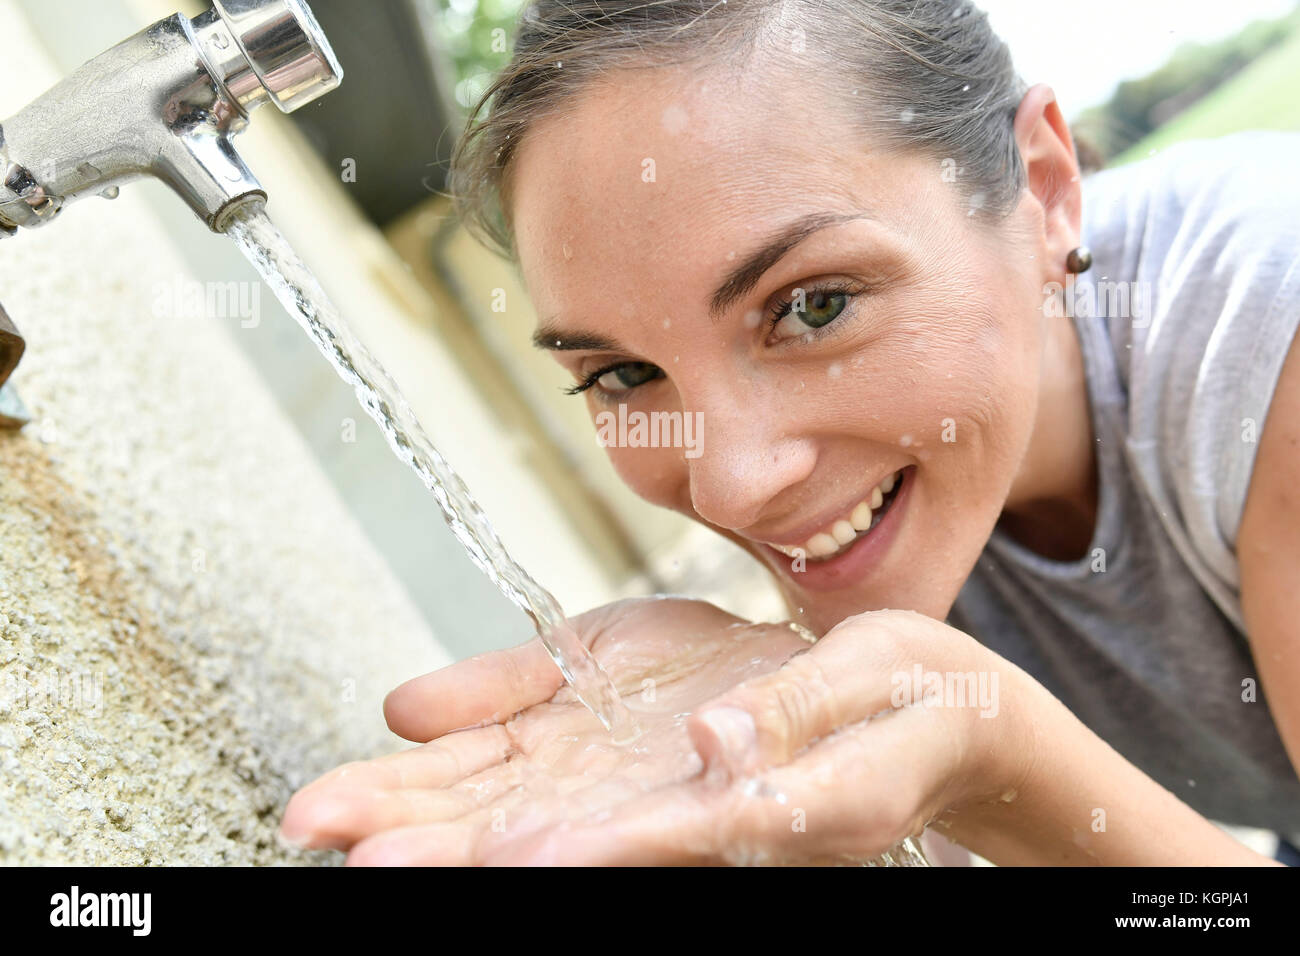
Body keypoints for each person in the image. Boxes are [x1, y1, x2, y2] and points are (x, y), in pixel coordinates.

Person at [280, 0, 1300, 865]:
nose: (732, 484)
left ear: (1042, 188)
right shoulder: (894, 509)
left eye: (811, 307)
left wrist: (999, 757)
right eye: (624, 374)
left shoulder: (1266, 337)